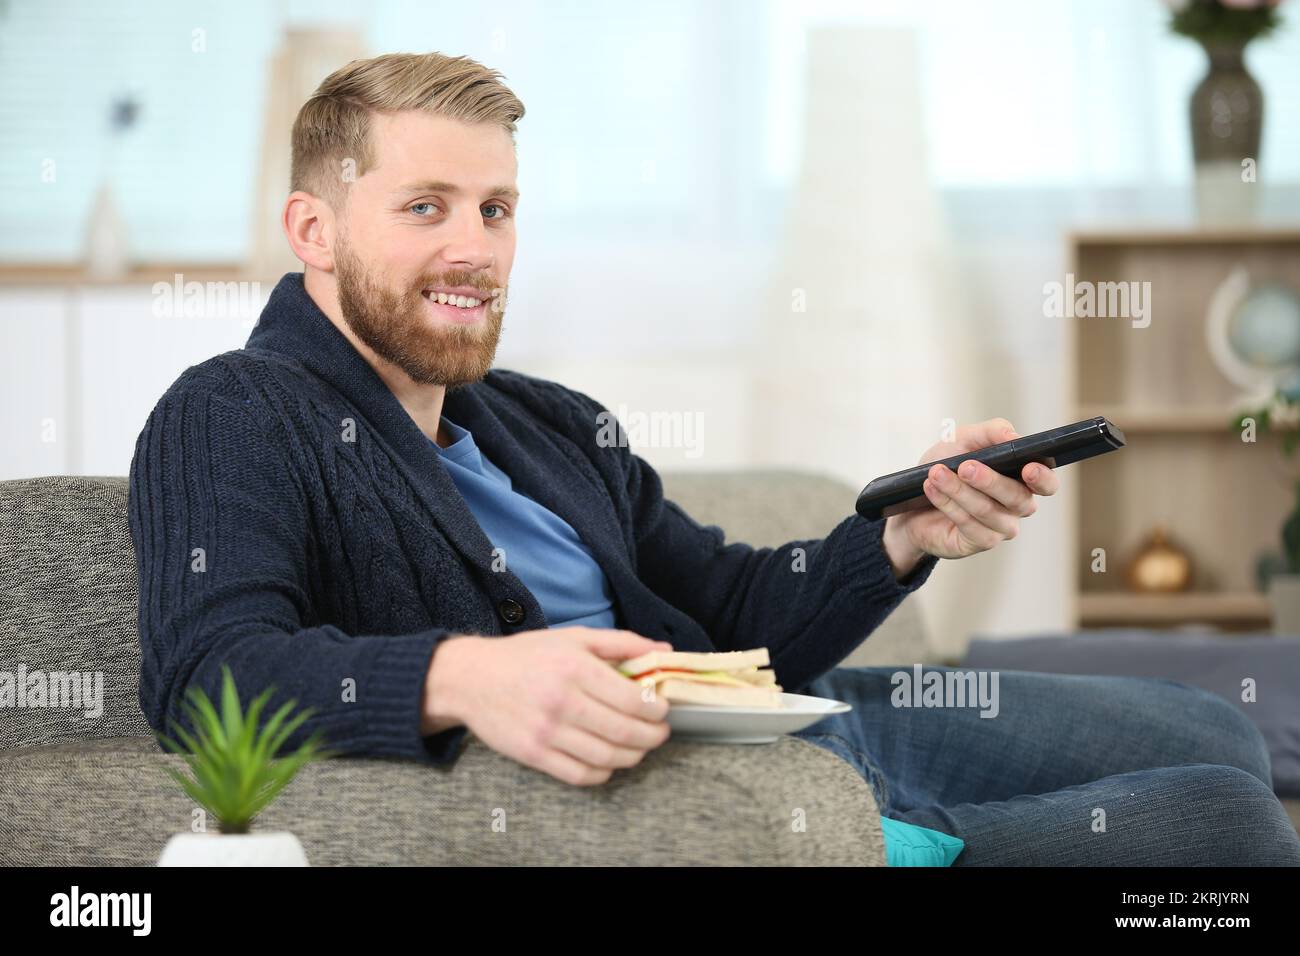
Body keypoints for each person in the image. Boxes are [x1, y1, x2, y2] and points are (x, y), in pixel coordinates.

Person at [129, 51, 1299, 866]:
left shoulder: (542, 418)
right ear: (313, 232)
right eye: (425, 206)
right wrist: (467, 676)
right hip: (720, 793)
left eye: (496, 209)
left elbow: (737, 604)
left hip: (795, 710)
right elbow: (207, 677)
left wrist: (903, 533)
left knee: (1219, 730)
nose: (474, 248)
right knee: (1225, 825)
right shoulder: (237, 410)